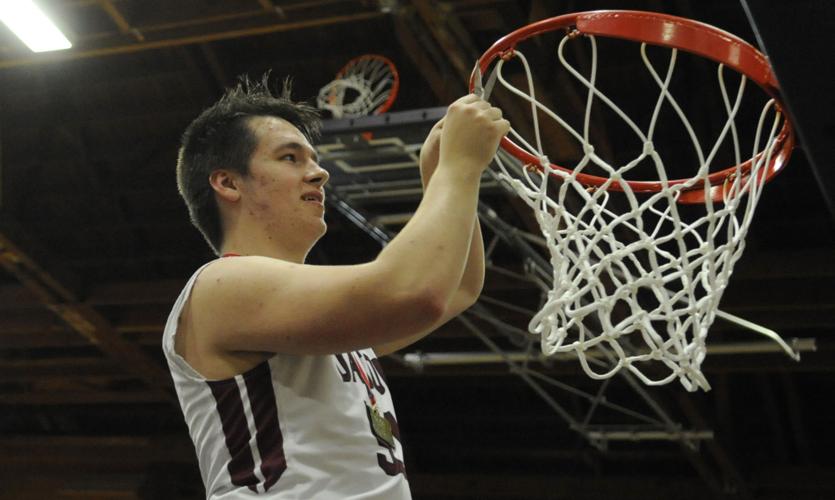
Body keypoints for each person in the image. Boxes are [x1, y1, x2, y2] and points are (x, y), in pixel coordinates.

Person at [161, 74, 508, 499]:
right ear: (229, 183)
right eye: (290, 157)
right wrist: (458, 166)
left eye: (313, 159)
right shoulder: (221, 284)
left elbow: (460, 288)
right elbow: (415, 293)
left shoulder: (298, 316)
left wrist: (440, 173)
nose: (320, 173)